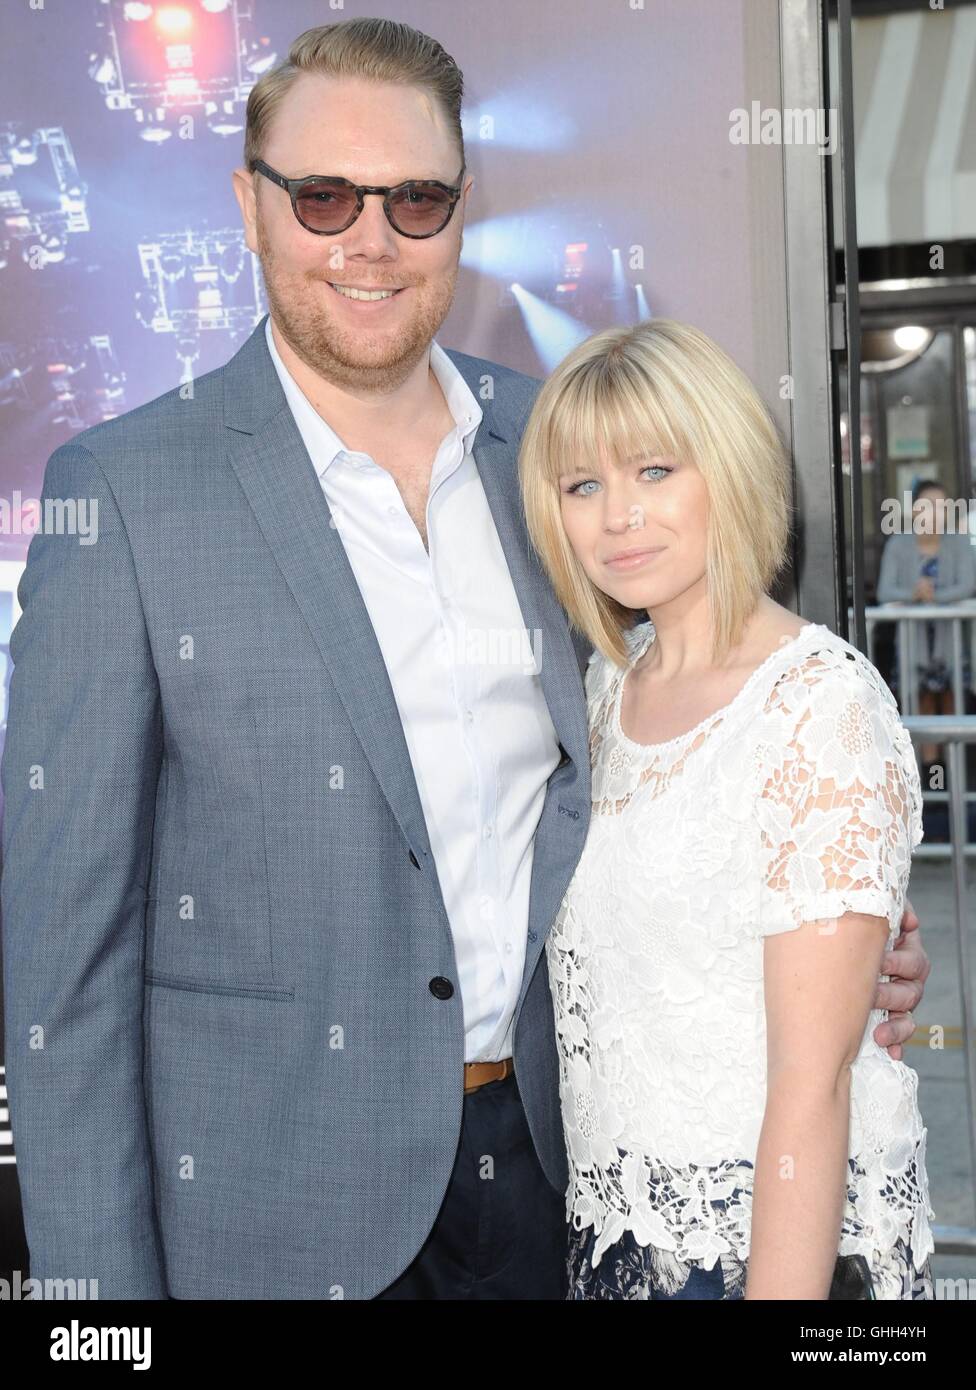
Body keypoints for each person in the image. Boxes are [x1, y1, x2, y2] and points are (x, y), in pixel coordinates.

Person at [0, 20, 929, 1301]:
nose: (369, 239)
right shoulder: (122, 494)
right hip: (272, 1221)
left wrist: (841, 919)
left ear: (457, 211)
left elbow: (687, 748)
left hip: (560, 1185)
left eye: (415, 199)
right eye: (323, 196)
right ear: (250, 206)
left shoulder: (554, 459)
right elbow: (66, 964)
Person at [518, 318, 935, 1300]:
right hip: (614, 1235)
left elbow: (814, 1081)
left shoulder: (816, 707)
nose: (617, 515)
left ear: (729, 469)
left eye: (654, 470)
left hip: (787, 1251)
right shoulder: (594, 696)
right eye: (584, 485)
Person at [877, 478, 976, 765]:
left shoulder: (958, 541)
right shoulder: (899, 542)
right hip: (914, 637)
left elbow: (968, 584)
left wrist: (934, 595)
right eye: (928, 505)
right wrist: (913, 593)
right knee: (920, 695)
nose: (936, 511)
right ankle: (930, 772)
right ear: (914, 510)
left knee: (950, 694)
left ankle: (954, 767)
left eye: (942, 505)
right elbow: (885, 590)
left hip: (948, 634)